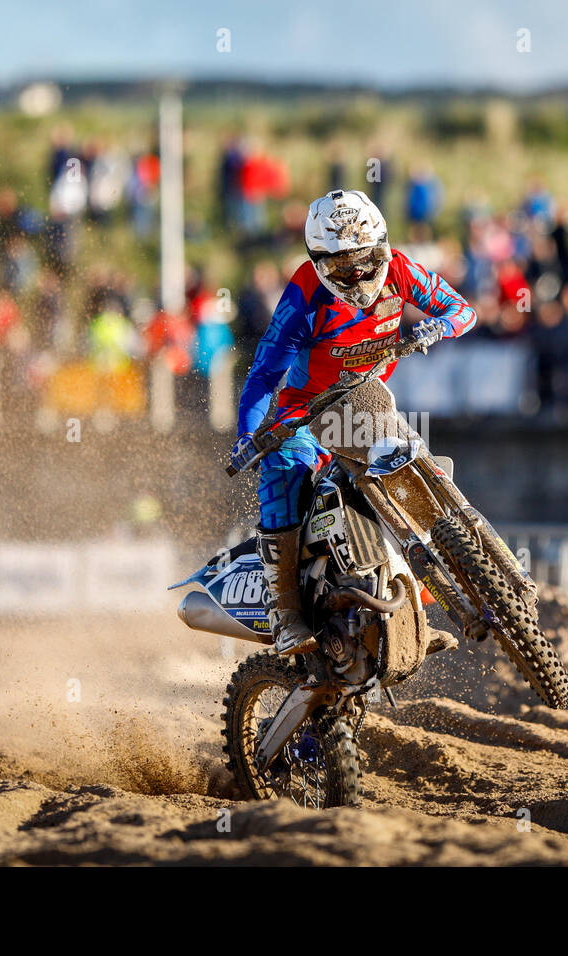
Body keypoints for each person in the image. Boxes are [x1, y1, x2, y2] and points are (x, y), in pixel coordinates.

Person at [229, 189, 477, 654]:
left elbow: (463, 309)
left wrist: (438, 326)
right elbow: (264, 374)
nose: (359, 274)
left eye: (366, 259)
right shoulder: (303, 296)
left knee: (424, 466)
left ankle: (421, 607)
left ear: (382, 244)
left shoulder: (401, 270)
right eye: (343, 267)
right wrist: (251, 437)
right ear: (320, 262)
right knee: (286, 472)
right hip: (304, 412)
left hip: (366, 405)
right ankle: (286, 615)